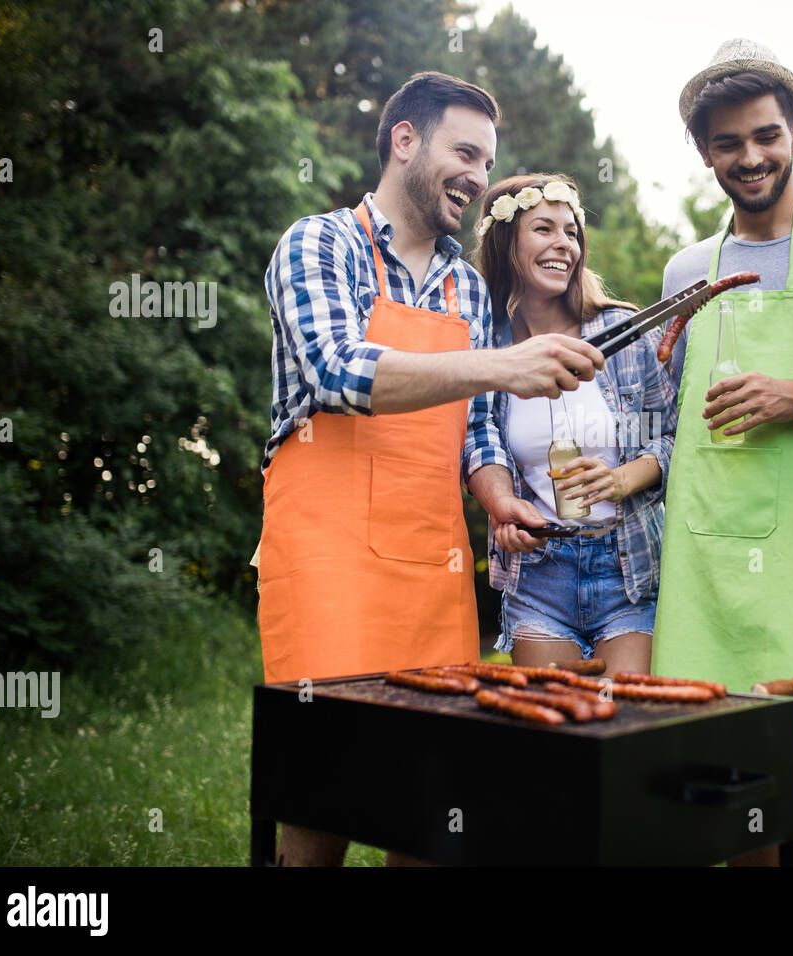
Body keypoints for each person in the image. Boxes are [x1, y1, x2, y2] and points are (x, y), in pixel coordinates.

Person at [258, 72, 604, 866]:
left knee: (431, 797)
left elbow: (474, 431)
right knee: (322, 788)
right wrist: (503, 365)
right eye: (466, 152)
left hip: (430, 561)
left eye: (488, 162)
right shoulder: (321, 243)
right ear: (405, 140)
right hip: (326, 557)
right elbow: (339, 374)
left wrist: (498, 497)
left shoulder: (467, 288)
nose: (480, 177)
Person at [653, 39, 793, 866]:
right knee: (731, 814)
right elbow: (668, 429)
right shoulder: (687, 271)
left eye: (765, 136)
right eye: (726, 143)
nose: (749, 158)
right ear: (704, 152)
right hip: (708, 580)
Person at [468, 174, 676, 673]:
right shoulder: (487, 347)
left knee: (625, 726)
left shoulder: (622, 334)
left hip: (629, 570)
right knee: (554, 738)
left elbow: (670, 436)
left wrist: (621, 479)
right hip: (541, 573)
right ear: (505, 241)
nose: (564, 243)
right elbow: (478, 441)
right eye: (544, 229)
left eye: (571, 231)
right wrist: (506, 512)